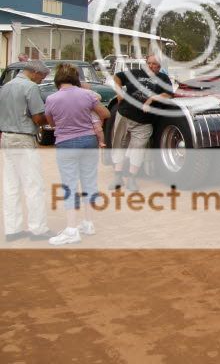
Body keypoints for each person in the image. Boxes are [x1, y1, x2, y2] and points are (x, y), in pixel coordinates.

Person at [45, 63, 110, 245]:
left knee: (70, 184)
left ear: (58, 79)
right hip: (89, 140)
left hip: (66, 143)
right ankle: (88, 223)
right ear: (76, 79)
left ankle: (72, 229)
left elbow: (52, 124)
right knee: (89, 181)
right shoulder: (88, 95)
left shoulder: (52, 98)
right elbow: (105, 113)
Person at [0, 60, 54, 242]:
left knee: (11, 185)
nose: (41, 81)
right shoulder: (30, 87)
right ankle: (38, 229)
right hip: (24, 138)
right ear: (35, 73)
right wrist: (53, 119)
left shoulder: (7, 86)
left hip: (7, 136)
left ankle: (13, 229)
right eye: (42, 77)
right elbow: (38, 117)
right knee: (34, 185)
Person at [110, 54, 174, 191]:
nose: (151, 66)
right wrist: (119, 92)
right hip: (125, 114)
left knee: (137, 150)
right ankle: (117, 176)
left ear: (160, 66)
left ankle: (132, 179)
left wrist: (151, 99)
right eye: (149, 63)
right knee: (119, 144)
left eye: (155, 64)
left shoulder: (163, 79)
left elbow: (168, 94)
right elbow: (117, 78)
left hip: (144, 121)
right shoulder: (135, 73)